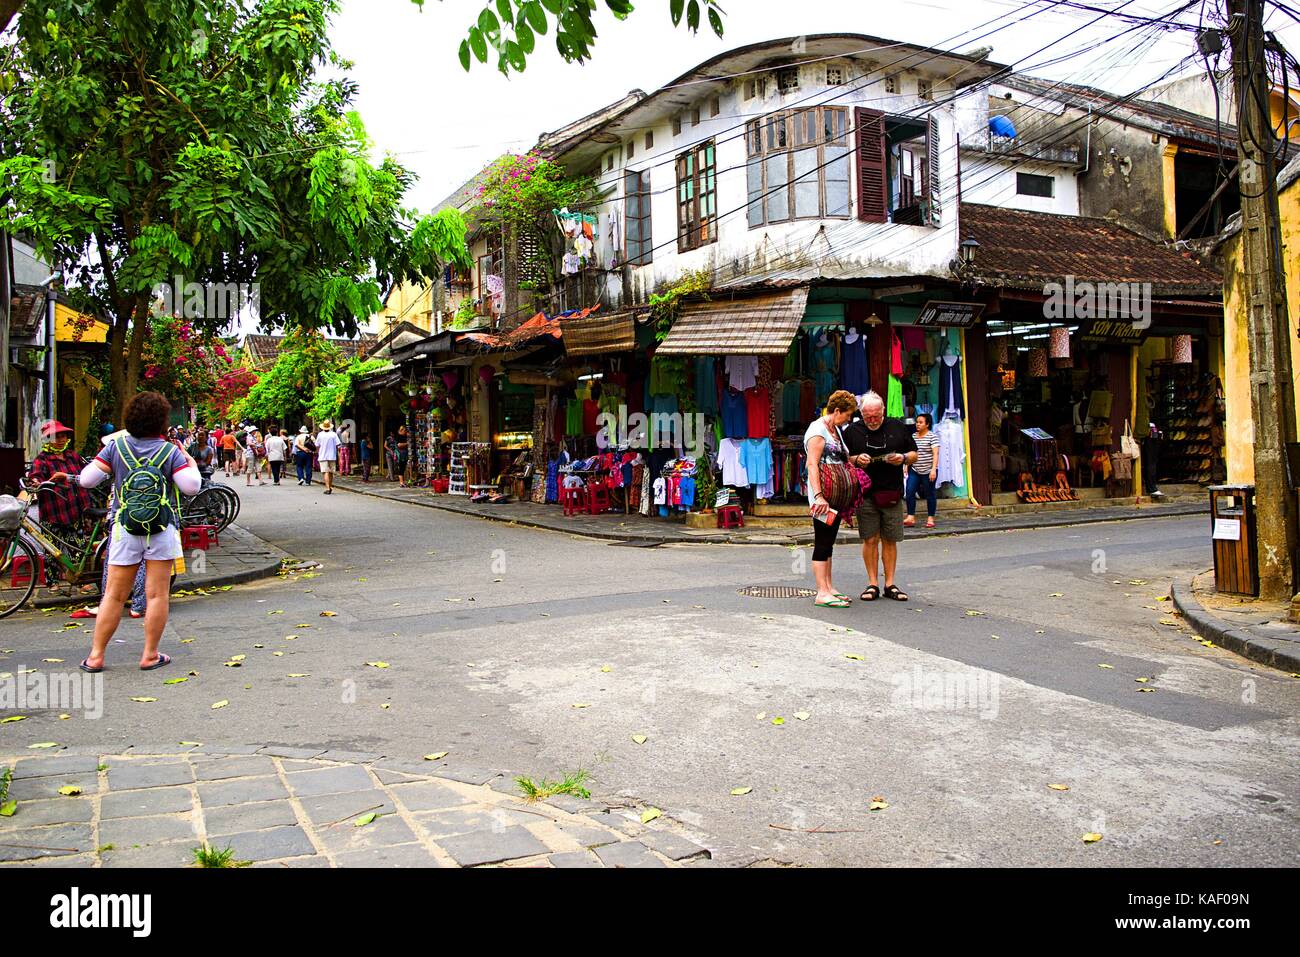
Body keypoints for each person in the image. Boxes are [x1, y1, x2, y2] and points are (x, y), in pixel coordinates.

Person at [51, 391, 201, 673]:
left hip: (124, 528)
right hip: (161, 528)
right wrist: (189, 461)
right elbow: (191, 487)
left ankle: (96, 656)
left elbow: (87, 480)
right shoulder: (169, 451)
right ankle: (149, 655)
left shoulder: (116, 447)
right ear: (162, 421)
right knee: (157, 595)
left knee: (113, 595)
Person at [844, 391, 917, 601]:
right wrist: (856, 459)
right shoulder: (852, 431)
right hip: (864, 493)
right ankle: (872, 583)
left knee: (890, 539)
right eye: (868, 417)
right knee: (870, 539)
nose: (873, 421)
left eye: (876, 416)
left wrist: (902, 458)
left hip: (891, 492)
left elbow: (914, 454)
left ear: (883, 411)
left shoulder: (897, 426)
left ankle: (890, 584)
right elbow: (843, 459)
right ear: (861, 414)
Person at [803, 391, 860, 608]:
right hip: (822, 498)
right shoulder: (818, 431)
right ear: (837, 411)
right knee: (822, 542)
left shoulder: (834, 429)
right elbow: (812, 464)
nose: (848, 419)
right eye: (847, 415)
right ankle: (821, 592)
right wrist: (818, 496)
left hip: (835, 496)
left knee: (829, 543)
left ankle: (829, 587)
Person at [27, 420, 92, 534]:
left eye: (63, 436)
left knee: (79, 549)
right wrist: (36, 482)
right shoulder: (42, 460)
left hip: (78, 511)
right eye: (57, 437)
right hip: (55, 514)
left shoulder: (73, 456)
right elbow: (35, 477)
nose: (61, 440)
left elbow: (88, 472)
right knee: (56, 550)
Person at [904, 412, 941, 529]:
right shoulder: (913, 436)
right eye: (917, 422)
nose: (917, 424)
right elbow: (910, 453)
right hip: (915, 469)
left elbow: (936, 454)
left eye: (921, 422)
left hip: (929, 470)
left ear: (927, 424)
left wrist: (933, 470)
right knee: (909, 491)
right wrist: (906, 465)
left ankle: (930, 518)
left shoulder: (932, 437)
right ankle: (910, 517)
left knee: (929, 494)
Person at [315, 420, 341, 494]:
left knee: (325, 472)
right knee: (330, 472)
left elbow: (317, 445)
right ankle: (330, 486)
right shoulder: (333, 434)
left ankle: (327, 488)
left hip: (323, 455)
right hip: (332, 455)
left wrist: (317, 452)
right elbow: (338, 444)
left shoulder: (320, 435)